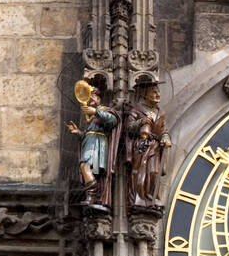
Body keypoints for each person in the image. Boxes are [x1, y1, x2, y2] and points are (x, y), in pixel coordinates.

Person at [66, 83, 120, 211]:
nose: (91, 99)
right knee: (87, 168)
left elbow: (113, 121)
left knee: (85, 165)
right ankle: (92, 196)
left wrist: (96, 111)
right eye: (90, 97)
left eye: (94, 96)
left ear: (99, 99)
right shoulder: (90, 118)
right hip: (90, 141)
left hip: (98, 143)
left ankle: (93, 192)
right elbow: (87, 134)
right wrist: (78, 132)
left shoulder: (104, 111)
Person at [125, 83, 172, 211]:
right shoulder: (137, 109)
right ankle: (139, 199)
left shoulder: (160, 112)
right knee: (141, 172)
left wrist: (165, 138)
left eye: (158, 92)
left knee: (154, 172)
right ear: (145, 94)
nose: (158, 94)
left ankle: (152, 199)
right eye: (154, 92)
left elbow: (164, 130)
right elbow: (129, 128)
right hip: (142, 145)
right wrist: (141, 122)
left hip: (155, 147)